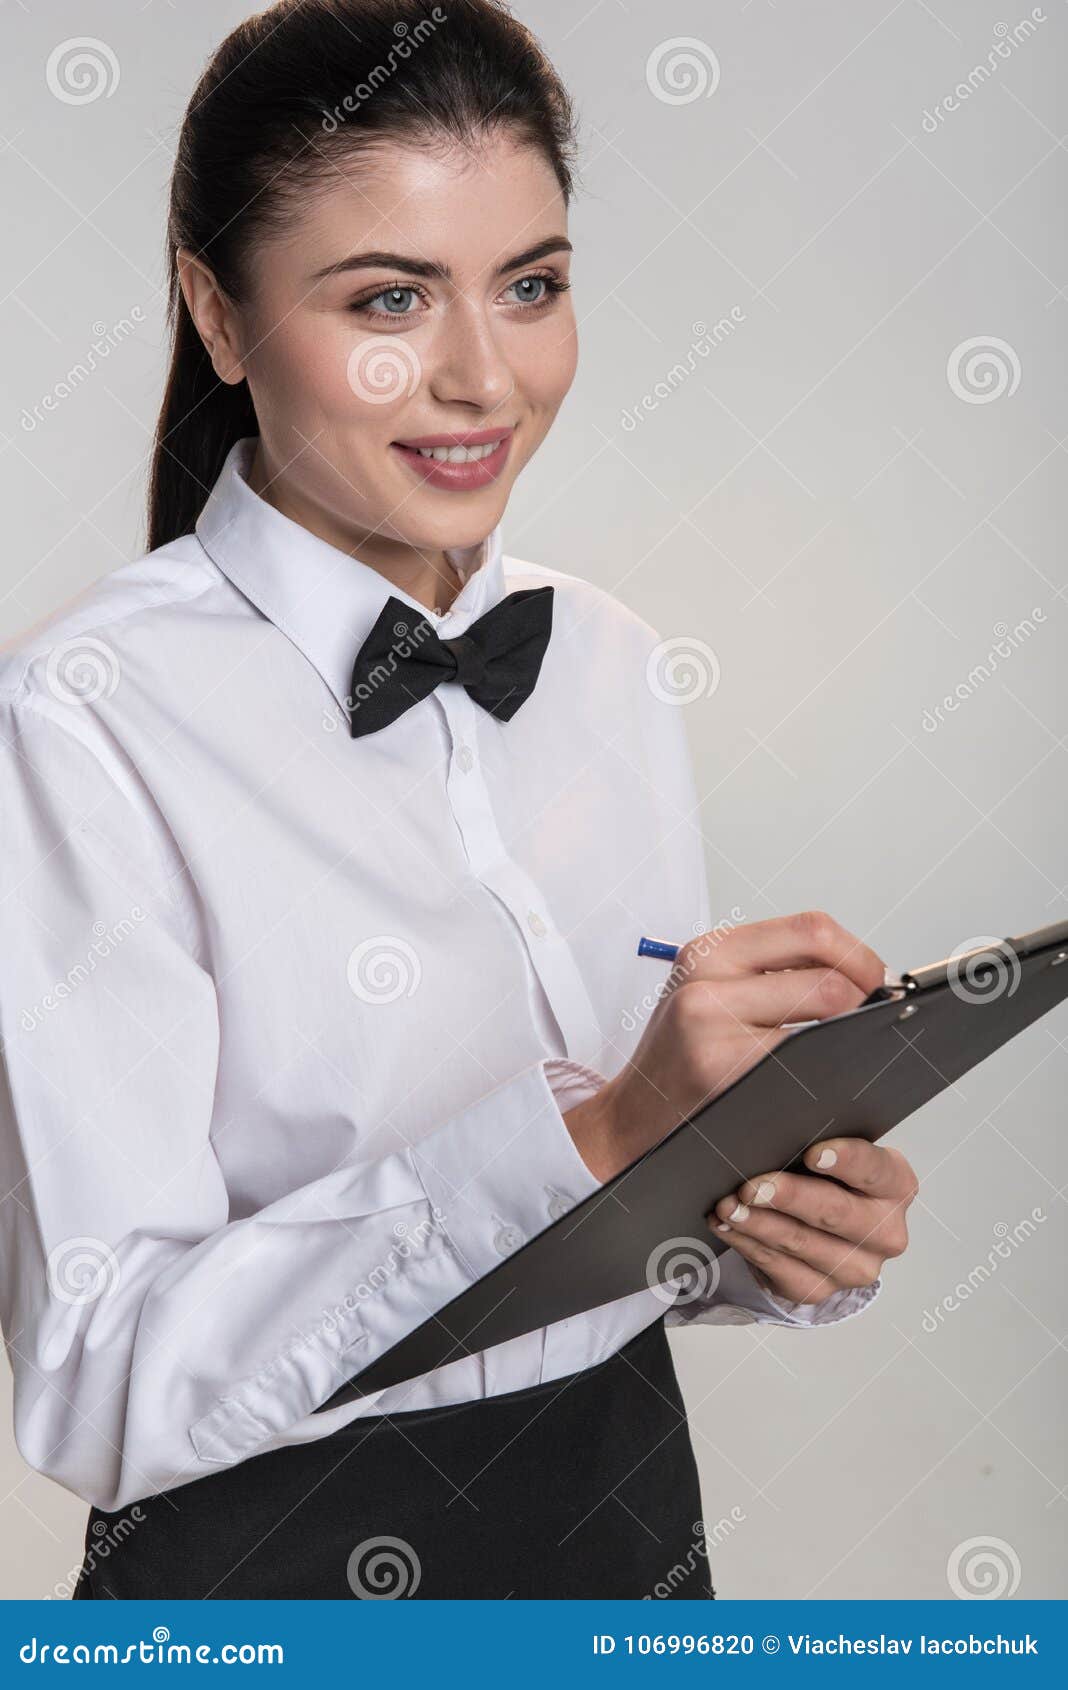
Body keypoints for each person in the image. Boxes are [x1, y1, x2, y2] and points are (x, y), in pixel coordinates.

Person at [0, 0, 917, 1600]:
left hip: (634, 1521)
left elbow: (593, 1233)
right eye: (388, 299)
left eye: (534, 286)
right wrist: (607, 1125)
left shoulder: (615, 660)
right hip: (269, 1573)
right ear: (219, 316)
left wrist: (763, 1222)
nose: (483, 376)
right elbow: (100, 1377)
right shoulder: (85, 721)